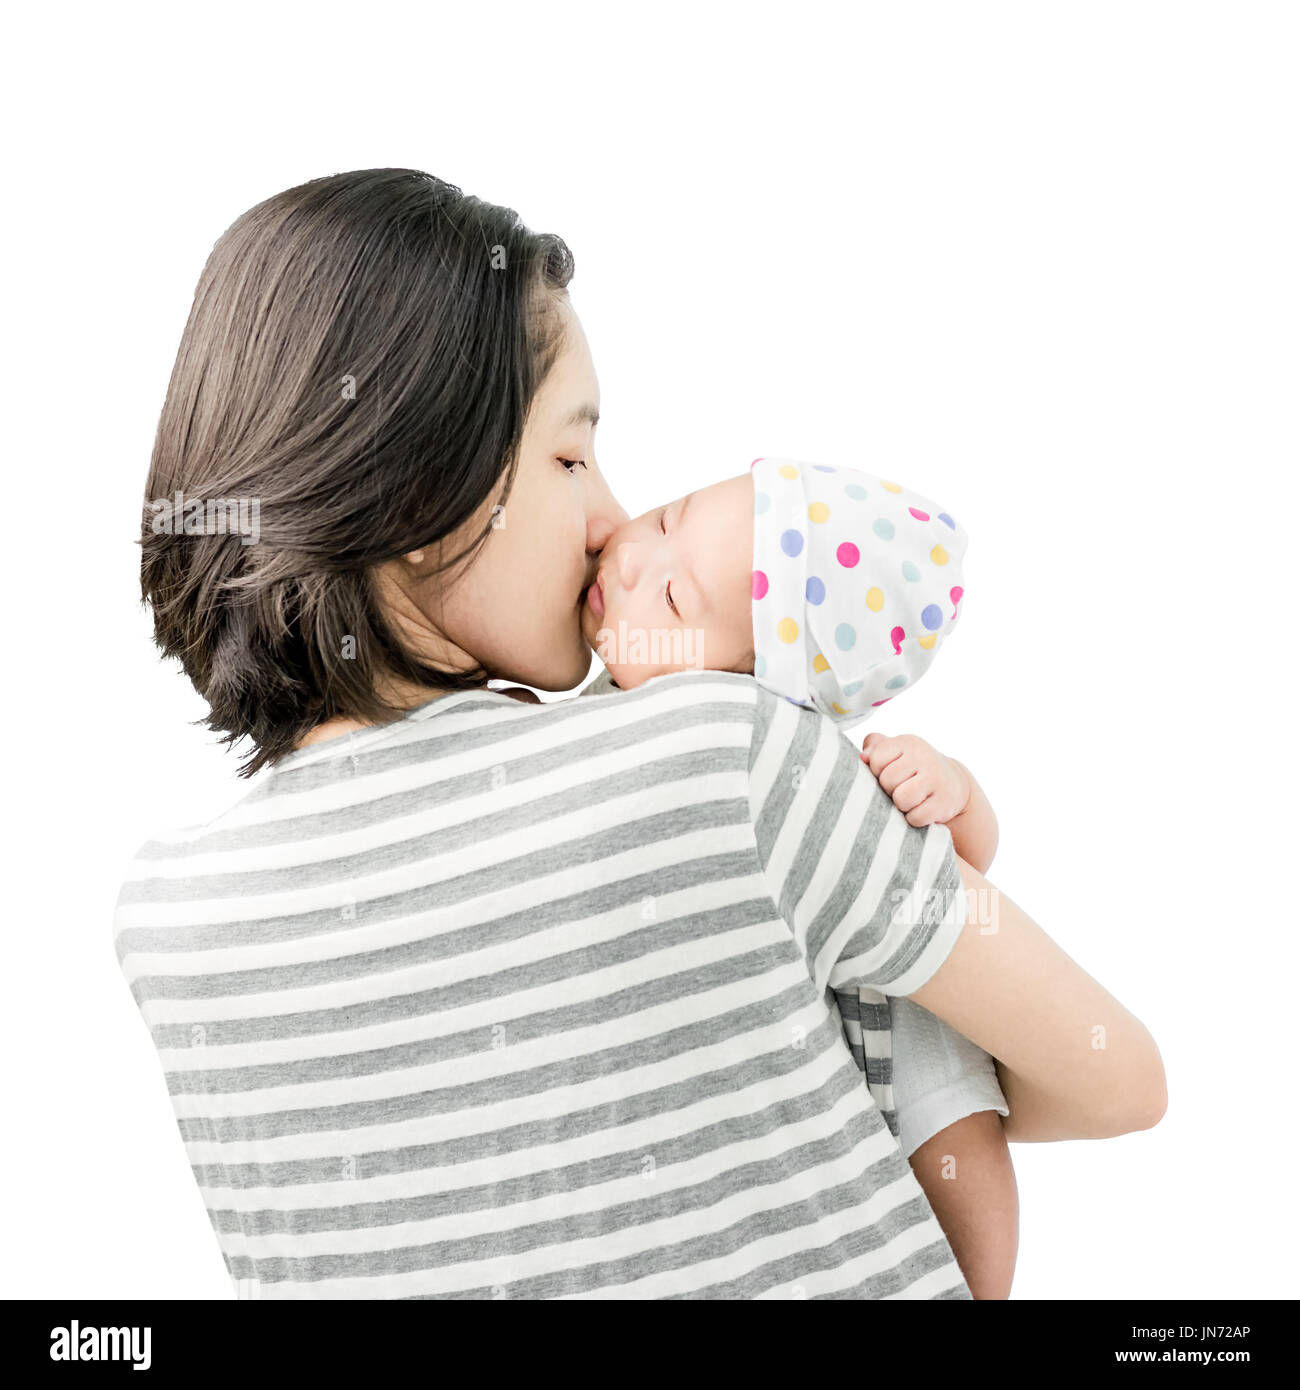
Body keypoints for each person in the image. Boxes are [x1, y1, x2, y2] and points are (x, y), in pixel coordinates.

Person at [116, 168, 1165, 1299]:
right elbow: (1119, 1080)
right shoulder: (724, 757)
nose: (612, 516)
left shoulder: (169, 922)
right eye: (571, 457)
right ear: (421, 502)